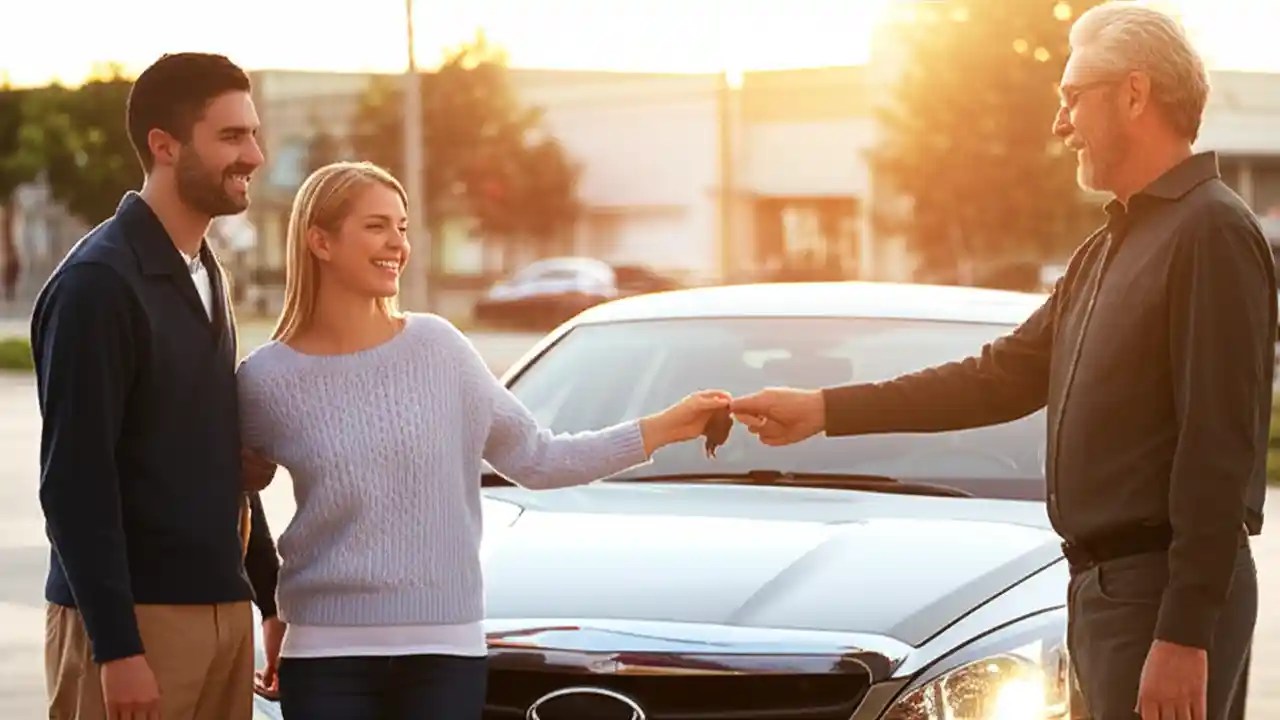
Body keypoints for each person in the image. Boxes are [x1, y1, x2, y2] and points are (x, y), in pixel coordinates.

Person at [730, 4, 1274, 720]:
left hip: (1160, 597)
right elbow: (996, 378)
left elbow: (1218, 448)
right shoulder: (1109, 246)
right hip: (1106, 594)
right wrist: (826, 410)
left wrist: (1183, 633)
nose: (1060, 123)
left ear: (1135, 94)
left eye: (1072, 96)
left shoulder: (1211, 232)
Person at [235, 160, 731, 720]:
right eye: (377, 226)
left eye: (402, 227)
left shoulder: (438, 349)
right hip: (325, 654)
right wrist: (267, 605)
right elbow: (227, 494)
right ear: (319, 241)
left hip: (443, 651)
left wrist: (667, 426)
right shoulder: (265, 379)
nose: (397, 244)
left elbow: (539, 459)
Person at [31, 52, 281, 720]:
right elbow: (74, 482)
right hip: (138, 625)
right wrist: (116, 648)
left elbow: (220, 451)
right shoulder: (98, 285)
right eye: (231, 136)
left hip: (222, 614)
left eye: (253, 134)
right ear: (164, 147)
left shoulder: (205, 273)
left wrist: (269, 594)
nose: (254, 155)